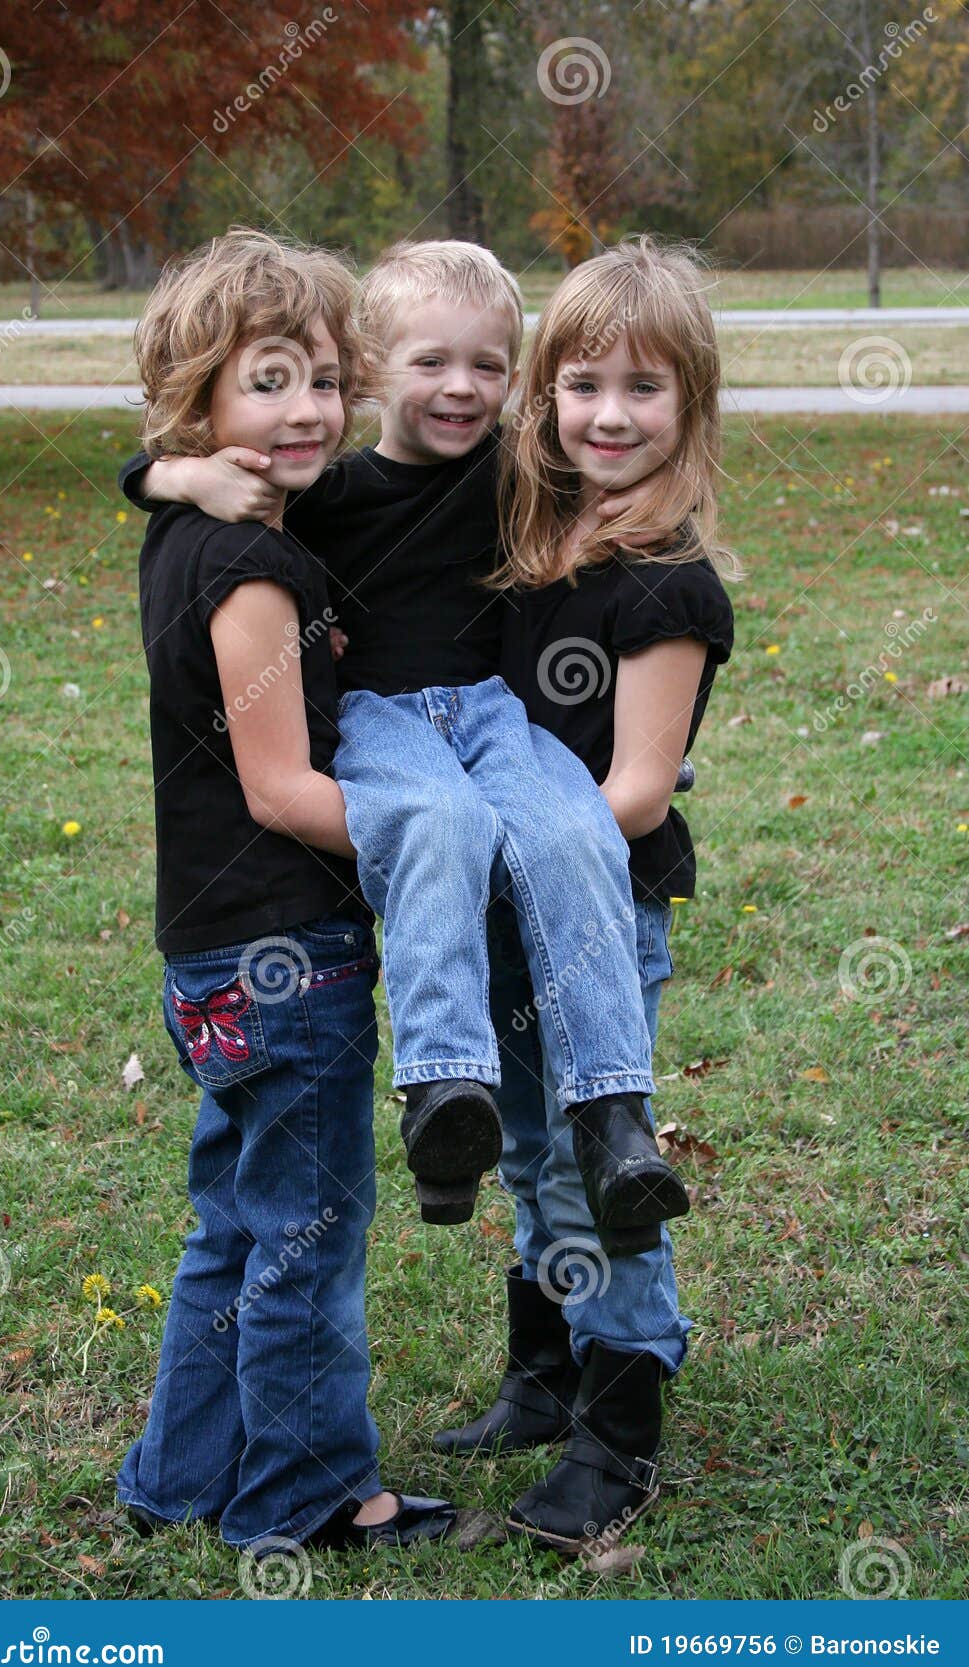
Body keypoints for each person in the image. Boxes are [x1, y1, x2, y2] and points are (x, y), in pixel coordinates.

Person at [119, 238, 687, 1252]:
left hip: (492, 711)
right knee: (439, 825)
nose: (460, 388)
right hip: (380, 719)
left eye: (487, 365)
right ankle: (444, 1086)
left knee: (570, 832)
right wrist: (187, 477)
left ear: (513, 379)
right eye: (430, 362)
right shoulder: (324, 488)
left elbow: (620, 438)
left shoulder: (518, 473)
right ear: (375, 369)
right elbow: (149, 468)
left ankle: (615, 1118)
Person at [116, 226, 457, 1559]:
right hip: (282, 951)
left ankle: (178, 1471)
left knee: (236, 1222)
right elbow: (279, 788)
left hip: (211, 950)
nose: (309, 406)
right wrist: (435, 838)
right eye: (268, 379)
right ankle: (307, 1494)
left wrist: (173, 465)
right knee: (306, 1235)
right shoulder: (250, 569)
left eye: (323, 376)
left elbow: (144, 476)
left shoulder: (192, 516)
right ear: (199, 395)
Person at [434, 235, 736, 1557]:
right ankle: (544, 1373)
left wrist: (489, 841)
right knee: (516, 1139)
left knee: (585, 1158)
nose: (609, 414)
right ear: (544, 394)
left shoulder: (667, 587)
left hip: (599, 915)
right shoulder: (526, 533)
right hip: (501, 909)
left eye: (645, 388)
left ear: (691, 407)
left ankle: (620, 1423)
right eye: (583, 384)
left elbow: (636, 793)